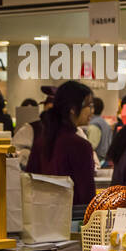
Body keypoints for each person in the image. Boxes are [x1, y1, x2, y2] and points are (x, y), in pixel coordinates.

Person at [25, 80, 96, 209]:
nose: (92, 111)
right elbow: (86, 196)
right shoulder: (80, 145)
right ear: (73, 110)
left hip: (42, 217)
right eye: (89, 105)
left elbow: (30, 182)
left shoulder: (42, 140)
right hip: (71, 220)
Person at [88, 96, 113, 161]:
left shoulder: (95, 124)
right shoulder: (104, 122)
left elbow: (91, 146)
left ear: (92, 109)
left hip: (98, 160)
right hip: (104, 159)